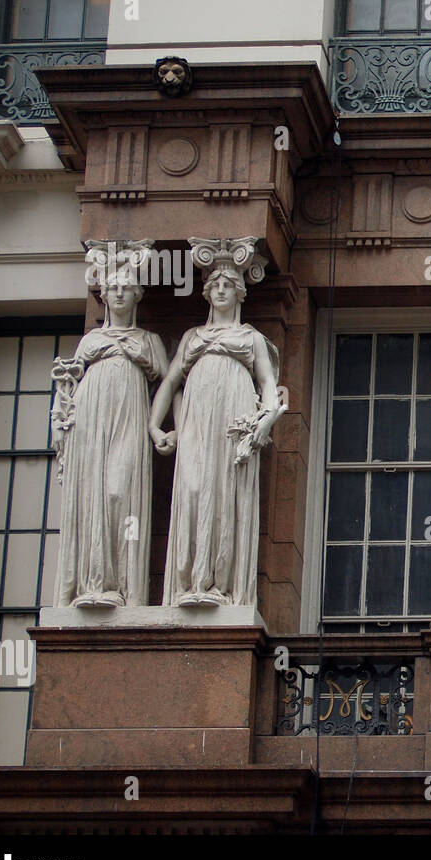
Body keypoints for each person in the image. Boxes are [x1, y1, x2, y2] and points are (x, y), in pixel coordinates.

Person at [149, 248, 283, 607]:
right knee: (193, 489)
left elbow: (268, 383)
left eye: (229, 284)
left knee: (224, 492)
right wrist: (154, 426)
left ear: (240, 292)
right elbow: (170, 382)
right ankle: (188, 581)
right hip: (195, 423)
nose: (221, 289)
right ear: (208, 293)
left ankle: (217, 585)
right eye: (216, 284)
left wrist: (268, 416)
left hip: (233, 421)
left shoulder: (250, 337)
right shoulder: (193, 338)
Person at [52, 241, 168, 607]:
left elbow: (170, 381)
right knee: (94, 493)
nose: (119, 293)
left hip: (129, 420)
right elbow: (69, 384)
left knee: (121, 490)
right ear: (103, 296)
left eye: (126, 288)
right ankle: (92, 583)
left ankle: (122, 586)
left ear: (137, 296)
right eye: (113, 288)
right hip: (92, 417)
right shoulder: (91, 341)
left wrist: (157, 426)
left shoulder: (148, 341)